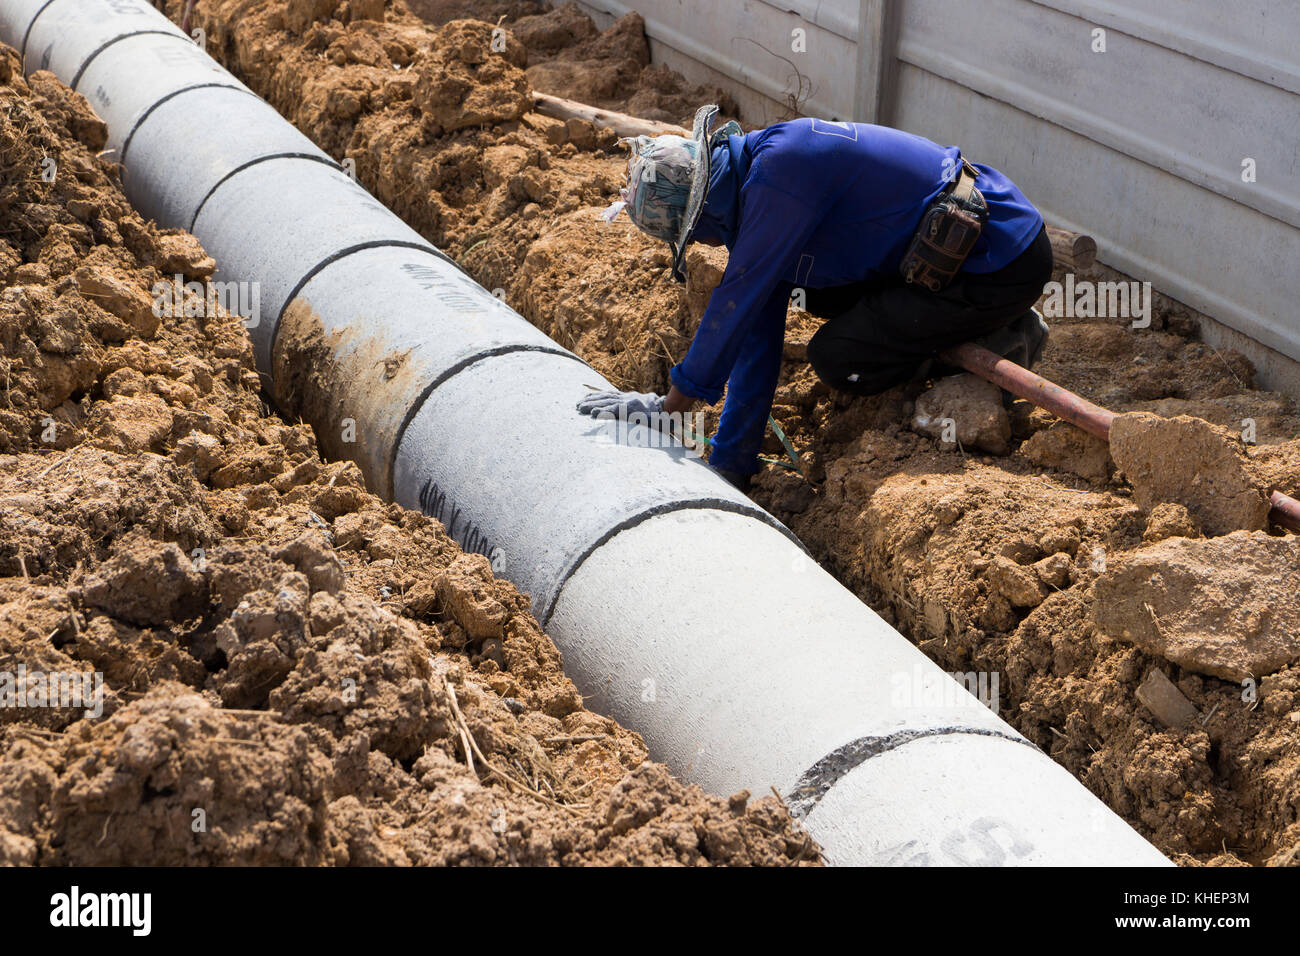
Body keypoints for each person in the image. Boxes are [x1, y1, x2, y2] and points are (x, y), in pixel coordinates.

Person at [578, 105, 1052, 490]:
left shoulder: (780, 175)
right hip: (940, 256)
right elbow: (756, 328)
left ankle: (1001, 331)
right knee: (814, 295)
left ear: (703, 211)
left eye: (692, 233)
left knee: (841, 358)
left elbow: (735, 304)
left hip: (999, 259)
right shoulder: (758, 173)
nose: (702, 243)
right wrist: (732, 461)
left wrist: (669, 409)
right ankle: (957, 323)